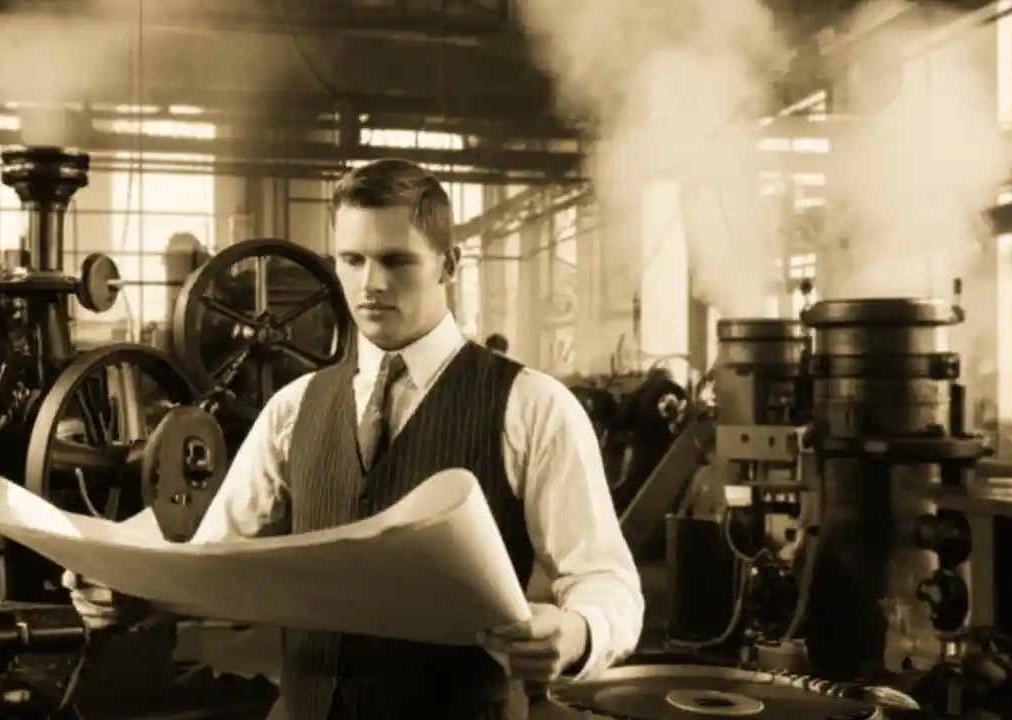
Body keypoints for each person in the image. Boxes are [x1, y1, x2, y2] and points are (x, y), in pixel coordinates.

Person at [65, 158, 644, 719]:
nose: (371, 284)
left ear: (449, 264)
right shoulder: (292, 409)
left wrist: (576, 632)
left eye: (396, 261)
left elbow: (605, 579)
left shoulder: (531, 406)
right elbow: (211, 562)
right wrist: (123, 584)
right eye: (352, 259)